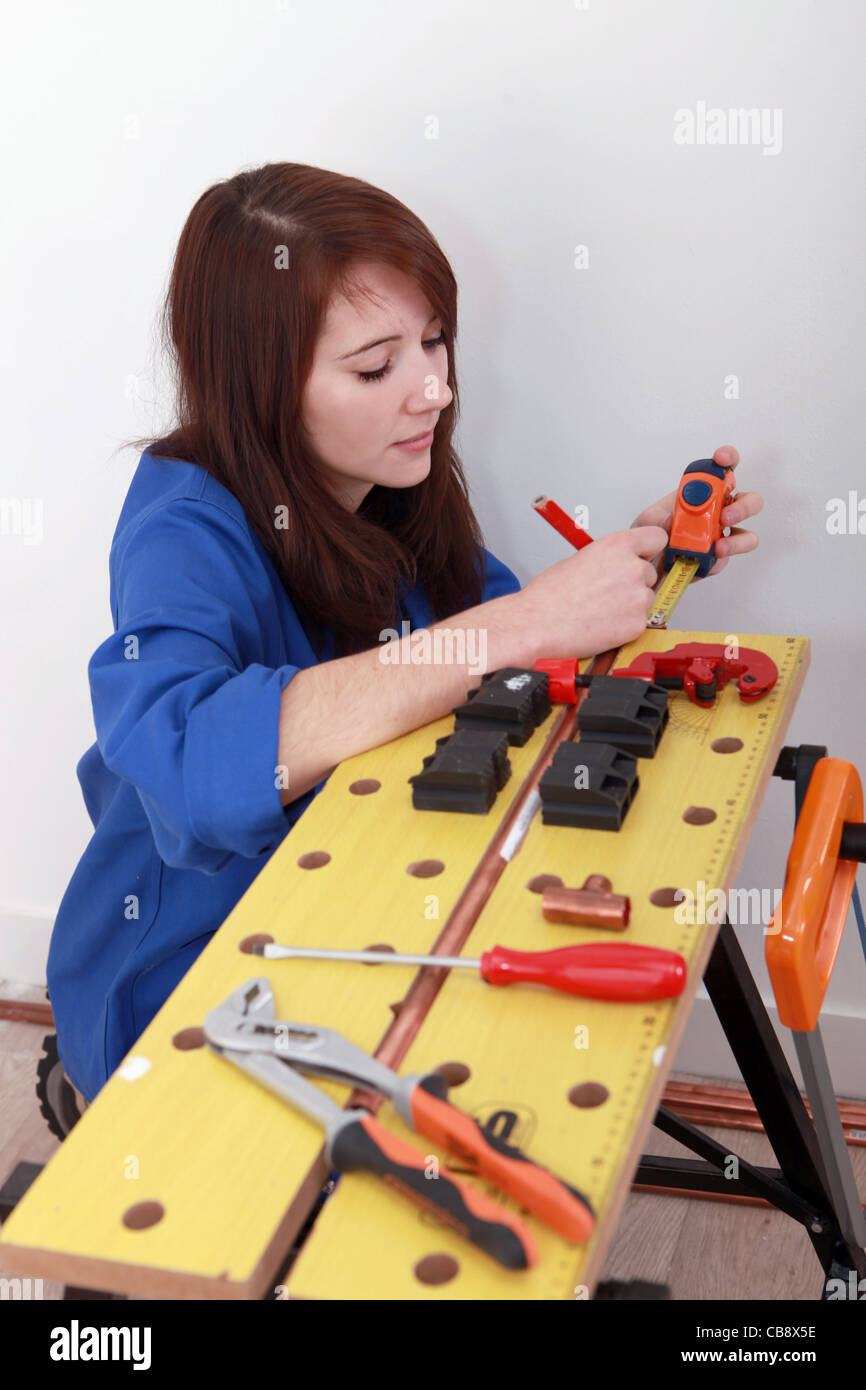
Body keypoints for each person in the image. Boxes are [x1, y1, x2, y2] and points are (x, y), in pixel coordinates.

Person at [45, 162, 763, 1108]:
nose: (432, 391)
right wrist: (527, 619)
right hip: (194, 960)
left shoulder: (393, 487)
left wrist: (635, 566)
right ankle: (84, 1102)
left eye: (434, 342)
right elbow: (191, 758)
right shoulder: (182, 526)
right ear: (262, 382)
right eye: (377, 367)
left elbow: (500, 654)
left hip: (365, 901)